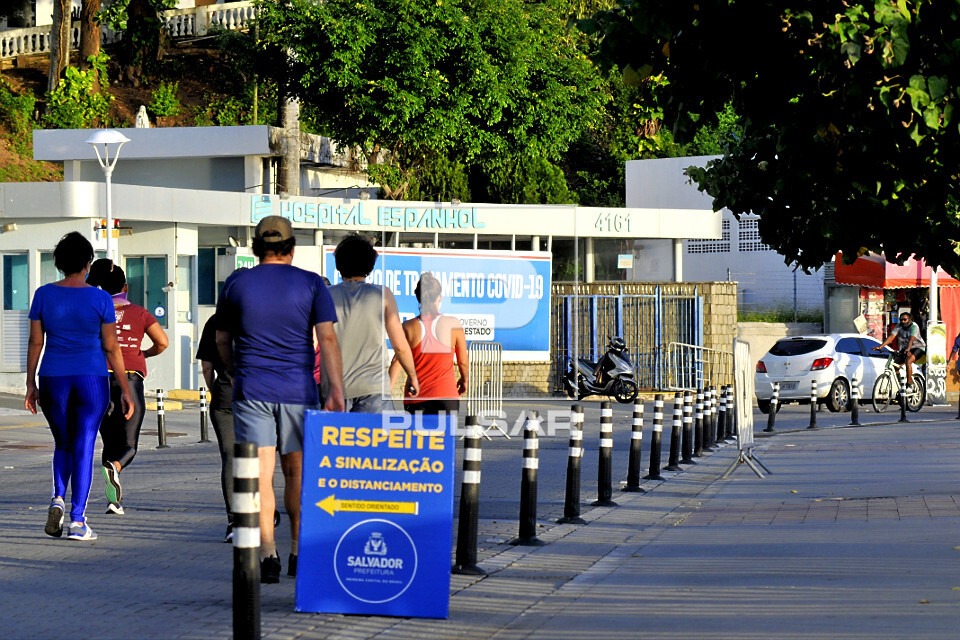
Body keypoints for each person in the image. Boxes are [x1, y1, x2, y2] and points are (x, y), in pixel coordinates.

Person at [216, 215, 345, 583]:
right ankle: (297, 554)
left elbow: (223, 339)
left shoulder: (237, 283)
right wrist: (335, 389)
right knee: (297, 474)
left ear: (257, 247)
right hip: (299, 392)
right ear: (291, 247)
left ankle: (267, 553)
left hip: (252, 389)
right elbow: (328, 340)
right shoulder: (311, 284)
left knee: (260, 476)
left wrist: (235, 372)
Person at [25, 232, 134, 542]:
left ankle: (57, 497)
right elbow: (112, 348)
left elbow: (36, 341)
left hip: (53, 378)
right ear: (88, 263)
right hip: (91, 379)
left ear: (59, 263)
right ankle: (77, 521)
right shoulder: (100, 298)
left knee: (63, 443)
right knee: (85, 444)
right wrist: (125, 389)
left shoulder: (43, 294)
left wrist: (30, 383)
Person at [86, 259, 168, 515]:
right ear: (125, 287)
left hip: (98, 381)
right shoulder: (140, 313)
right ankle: (116, 470)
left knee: (108, 442)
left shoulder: (95, 311)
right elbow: (162, 342)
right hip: (128, 382)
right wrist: (143, 353)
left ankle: (113, 501)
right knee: (129, 445)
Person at [325, 234, 420, 412]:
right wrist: (413, 376)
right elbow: (399, 346)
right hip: (374, 389)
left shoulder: (326, 295)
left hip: (334, 389)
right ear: (370, 264)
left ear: (339, 265)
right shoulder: (382, 295)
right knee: (377, 440)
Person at [389, 272, 467, 414]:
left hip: (417, 398)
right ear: (439, 297)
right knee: (444, 436)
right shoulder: (453, 324)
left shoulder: (408, 327)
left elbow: (397, 362)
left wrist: (386, 392)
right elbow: (463, 362)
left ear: (419, 299)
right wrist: (465, 379)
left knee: (417, 437)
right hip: (446, 396)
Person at [197, 312, 236, 542]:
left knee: (230, 458)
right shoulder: (261, 314)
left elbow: (206, 366)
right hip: (258, 395)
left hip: (224, 399)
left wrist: (215, 390)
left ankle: (233, 521)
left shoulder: (216, 319)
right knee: (261, 456)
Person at [874, 312, 926, 388]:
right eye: (901, 320)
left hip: (917, 348)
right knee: (895, 365)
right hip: (905, 348)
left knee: (908, 361)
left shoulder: (914, 326)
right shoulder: (899, 326)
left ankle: (909, 385)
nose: (903, 322)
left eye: (905, 320)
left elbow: (911, 339)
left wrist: (908, 349)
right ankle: (900, 384)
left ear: (910, 320)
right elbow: (891, 337)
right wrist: (880, 347)